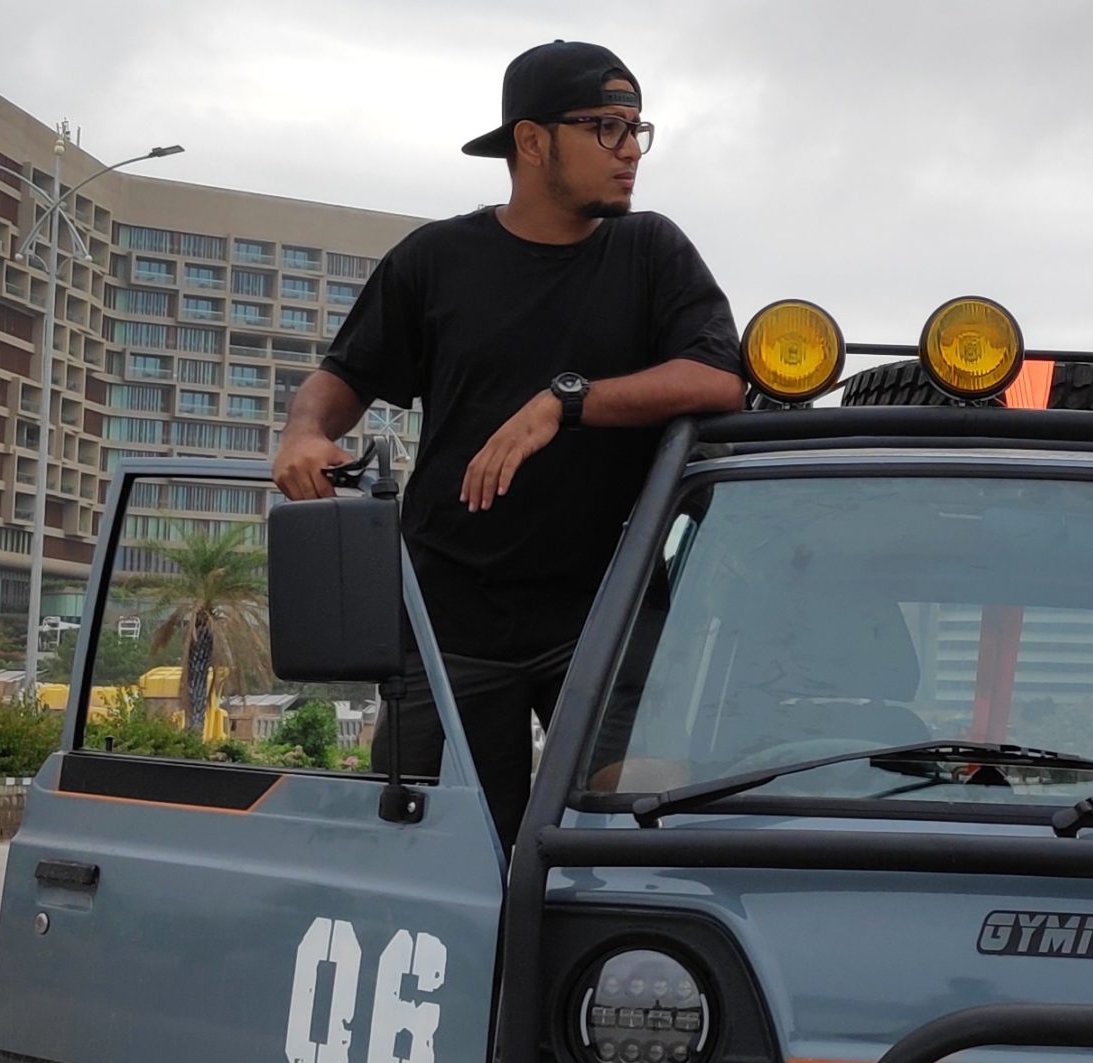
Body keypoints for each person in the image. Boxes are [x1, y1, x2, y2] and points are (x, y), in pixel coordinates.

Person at [272, 40, 747, 847]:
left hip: (608, 615)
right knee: (429, 860)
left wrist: (567, 401)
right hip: (449, 621)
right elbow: (340, 381)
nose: (630, 149)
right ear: (531, 142)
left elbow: (718, 381)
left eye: (637, 128)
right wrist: (302, 431)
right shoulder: (434, 261)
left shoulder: (651, 252)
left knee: (626, 845)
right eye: (605, 126)